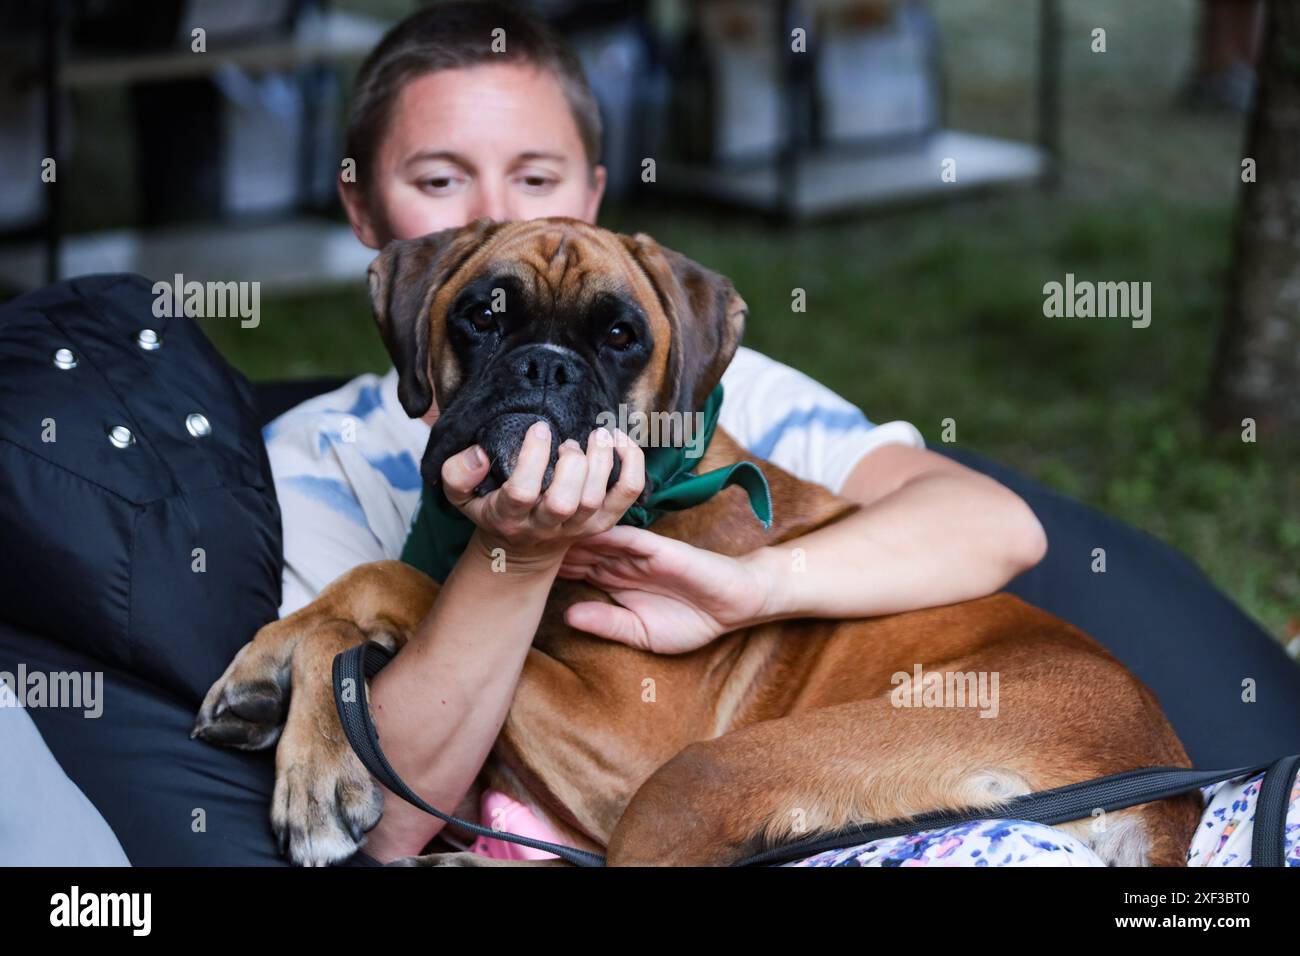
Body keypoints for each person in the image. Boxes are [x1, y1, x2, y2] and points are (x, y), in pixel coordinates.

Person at [261, 2, 1298, 868]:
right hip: (925, 779)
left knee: (694, 794)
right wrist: (501, 559)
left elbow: (997, 525)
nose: (494, 214)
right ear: (364, 213)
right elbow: (386, 822)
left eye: (536, 181)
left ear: (594, 196)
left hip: (1037, 735)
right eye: (439, 183)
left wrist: (750, 585)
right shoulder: (318, 463)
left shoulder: (722, 410)